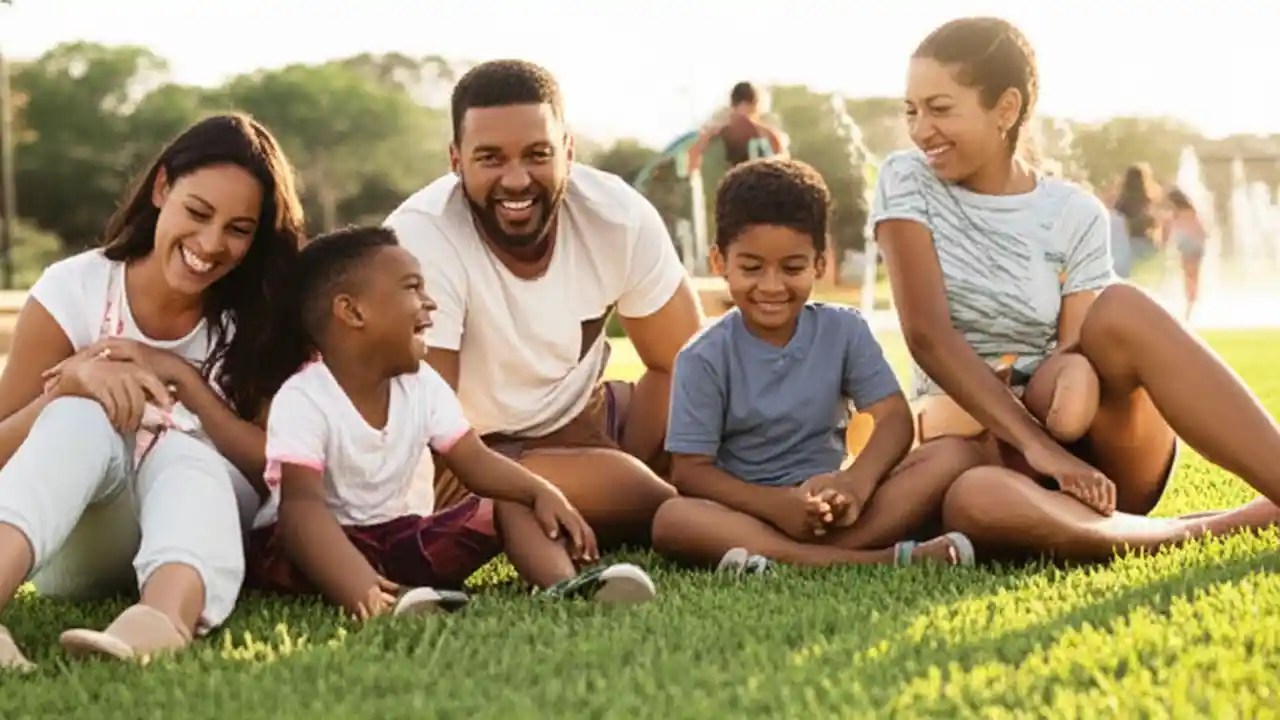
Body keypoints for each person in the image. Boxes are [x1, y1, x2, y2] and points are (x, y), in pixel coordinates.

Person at [872, 16, 1280, 564]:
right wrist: (1037, 448)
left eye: (939, 109)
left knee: (1121, 307)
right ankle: (1206, 529)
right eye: (911, 111)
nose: (921, 130)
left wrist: (1057, 439)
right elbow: (928, 335)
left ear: (1006, 108)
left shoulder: (1074, 212)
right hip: (983, 456)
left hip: (1096, 456)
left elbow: (1075, 356)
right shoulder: (907, 179)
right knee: (975, 500)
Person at [0, 113, 312, 669]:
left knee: (183, 449)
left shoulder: (263, 315)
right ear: (163, 187)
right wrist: (68, 387)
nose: (211, 244)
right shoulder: (75, 289)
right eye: (198, 212)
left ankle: (159, 621)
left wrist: (185, 382)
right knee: (81, 413)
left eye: (239, 229)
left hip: (200, 532)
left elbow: (285, 465)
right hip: (84, 541)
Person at [246, 226, 657, 617]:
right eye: (412, 287)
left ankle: (564, 587)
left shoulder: (422, 385)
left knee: (509, 497)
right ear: (352, 311)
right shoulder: (303, 399)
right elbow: (302, 511)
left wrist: (541, 492)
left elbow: (475, 461)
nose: (430, 303)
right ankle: (385, 601)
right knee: (304, 533)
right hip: (310, 551)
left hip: (398, 537)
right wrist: (362, 591)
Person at [383, 59, 702, 549]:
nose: (516, 180)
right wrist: (625, 482)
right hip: (469, 455)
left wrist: (631, 456)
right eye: (490, 159)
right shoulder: (420, 239)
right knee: (653, 495)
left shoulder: (617, 216)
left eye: (537, 155)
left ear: (568, 152)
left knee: (726, 435)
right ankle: (689, 514)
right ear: (456, 160)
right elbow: (429, 426)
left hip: (587, 418)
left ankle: (667, 501)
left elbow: (685, 363)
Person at [650, 158, 981, 571]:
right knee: (672, 518)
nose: (772, 286)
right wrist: (777, 506)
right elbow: (690, 472)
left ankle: (786, 557)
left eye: (792, 268)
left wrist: (854, 485)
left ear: (820, 263)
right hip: (750, 512)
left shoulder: (844, 330)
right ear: (720, 262)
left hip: (833, 507)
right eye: (751, 268)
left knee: (951, 455)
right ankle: (875, 560)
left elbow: (895, 418)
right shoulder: (702, 356)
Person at [687, 82, 789, 173]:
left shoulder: (717, 132)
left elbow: (693, 154)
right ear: (756, 104)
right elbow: (785, 162)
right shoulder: (767, 134)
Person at [1162, 188, 1208, 322]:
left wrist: (1164, 244)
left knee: (1188, 277)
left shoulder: (1174, 214)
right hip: (1197, 246)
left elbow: (1166, 232)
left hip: (1186, 246)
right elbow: (1202, 231)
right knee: (1194, 277)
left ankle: (1189, 306)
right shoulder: (1192, 212)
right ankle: (1191, 304)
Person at [1113, 163, 1164, 276]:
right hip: (1145, 244)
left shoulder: (1121, 201)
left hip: (1126, 244)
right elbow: (1153, 223)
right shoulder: (1147, 200)